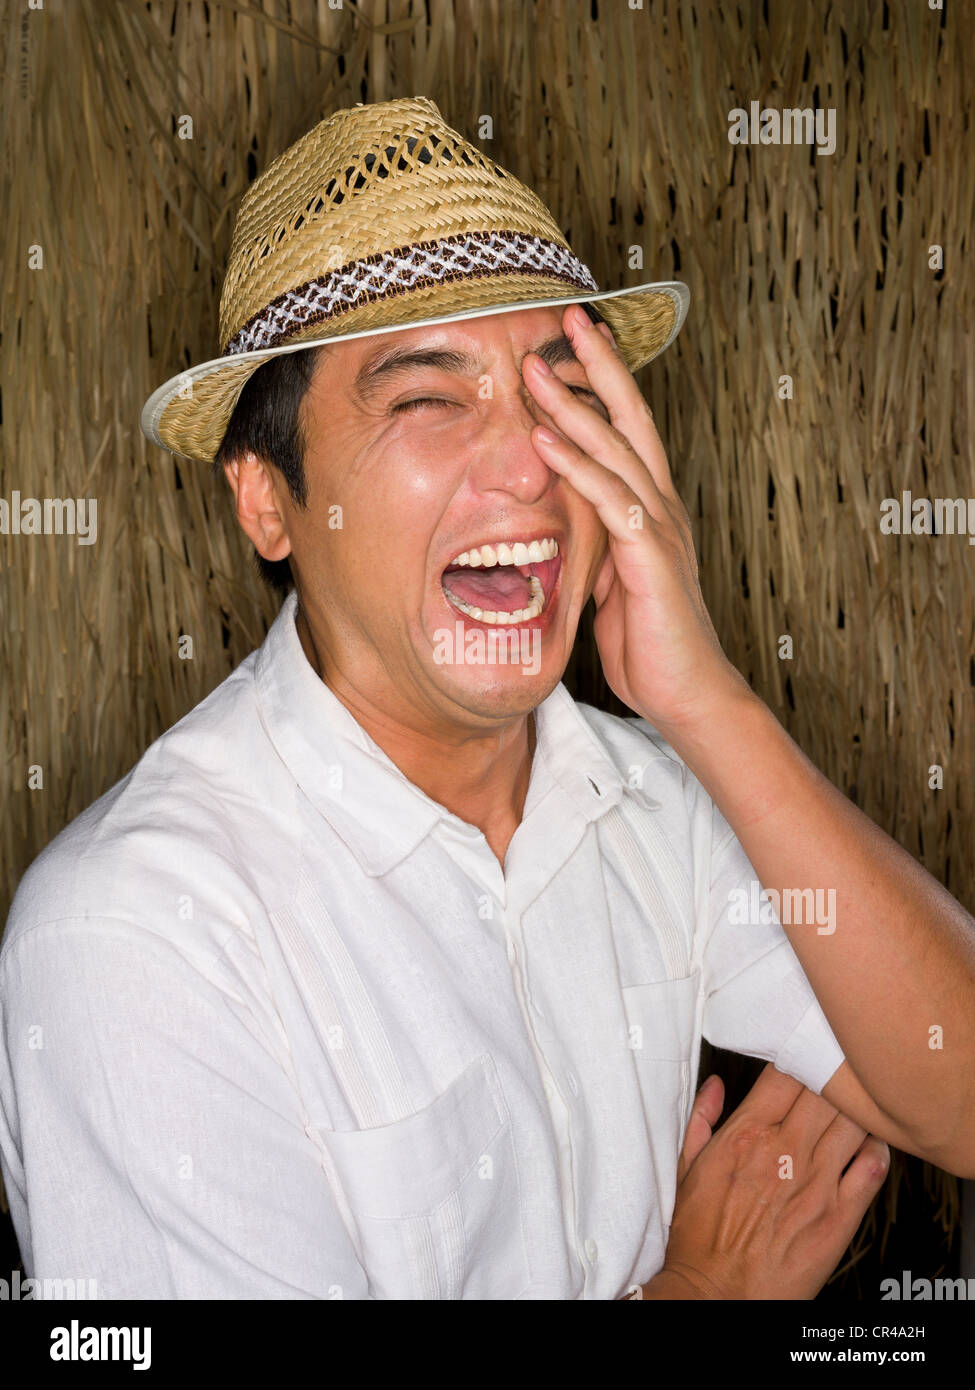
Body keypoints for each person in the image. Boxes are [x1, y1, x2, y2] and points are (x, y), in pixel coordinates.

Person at [1, 97, 972, 1301]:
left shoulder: (647, 803)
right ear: (267, 501)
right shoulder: (139, 931)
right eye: (427, 398)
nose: (528, 465)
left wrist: (711, 702)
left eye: (563, 393)